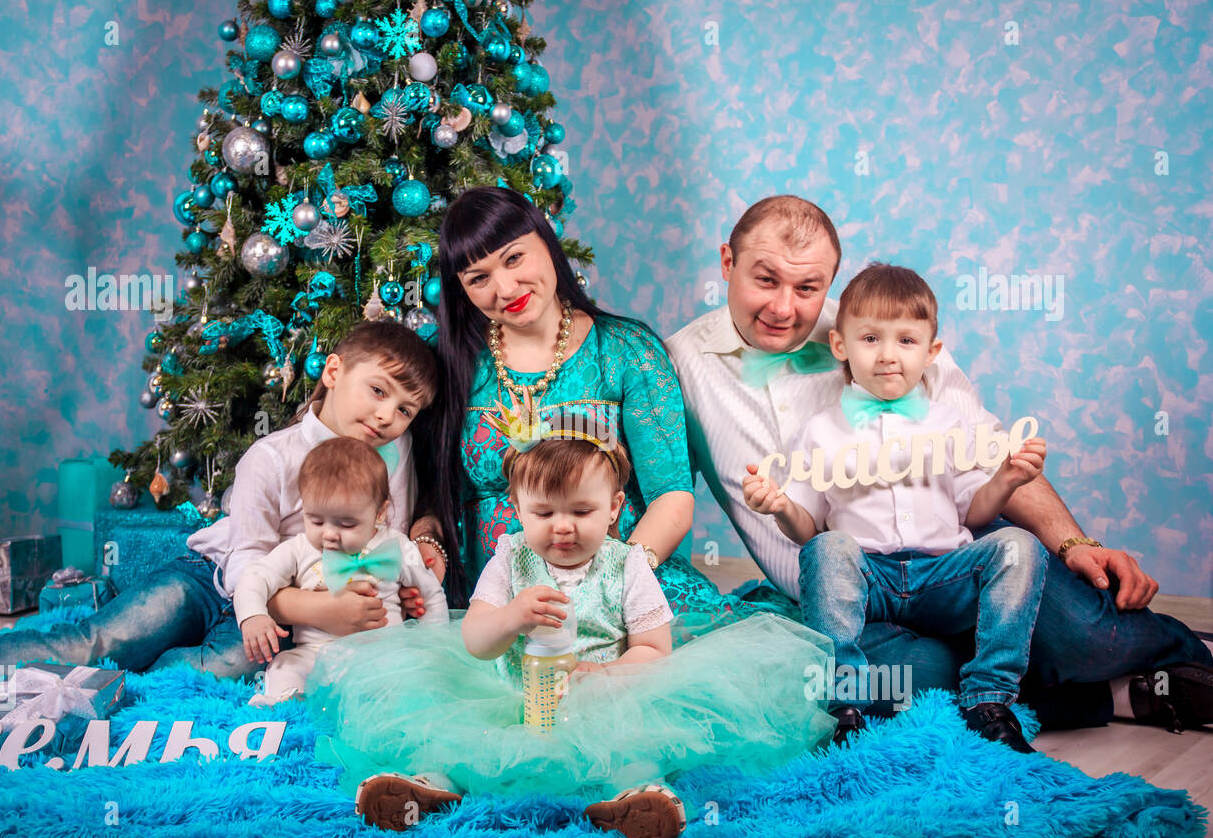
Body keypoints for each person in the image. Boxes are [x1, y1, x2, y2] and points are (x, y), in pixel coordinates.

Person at [667, 195, 1213, 731]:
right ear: (727, 262)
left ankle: (1177, 657)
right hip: (845, 599)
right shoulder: (677, 363)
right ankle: (1086, 696)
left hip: (949, 560)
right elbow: (662, 492)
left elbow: (993, 452)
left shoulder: (888, 329)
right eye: (766, 280)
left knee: (1086, 637)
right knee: (880, 681)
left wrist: (1075, 544)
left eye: (807, 288)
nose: (784, 307)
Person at [307, 424, 835, 838]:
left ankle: (639, 797)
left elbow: (655, 649)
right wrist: (512, 616)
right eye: (544, 512)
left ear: (614, 508)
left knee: (633, 741)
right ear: (517, 510)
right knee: (455, 736)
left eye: (581, 511)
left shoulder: (626, 564)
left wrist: (603, 675)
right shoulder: (510, 558)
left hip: (607, 693)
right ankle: (426, 786)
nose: (562, 527)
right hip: (509, 693)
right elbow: (475, 640)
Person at [0, 320, 440, 678]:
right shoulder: (273, 457)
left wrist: (399, 589)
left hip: (293, 609)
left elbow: (381, 539)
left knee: (222, 670)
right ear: (333, 371)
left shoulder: (395, 455)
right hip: (215, 575)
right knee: (105, 641)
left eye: (405, 410)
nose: (386, 417)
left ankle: (146, 677)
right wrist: (316, 608)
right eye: (377, 391)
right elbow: (248, 558)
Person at [403, 184, 804, 643]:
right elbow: (432, 500)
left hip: (626, 583)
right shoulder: (446, 362)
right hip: (499, 603)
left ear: (547, 245)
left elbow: (672, 498)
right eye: (479, 278)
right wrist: (428, 544)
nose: (505, 288)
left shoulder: (625, 350)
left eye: (515, 259)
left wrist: (612, 584)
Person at [743, 263, 1050, 750]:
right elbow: (807, 531)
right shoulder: (821, 430)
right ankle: (844, 705)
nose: (888, 356)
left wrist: (1008, 478)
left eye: (906, 341)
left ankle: (988, 697)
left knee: (1018, 545)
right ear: (841, 346)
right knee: (828, 548)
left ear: (932, 352)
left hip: (943, 574)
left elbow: (974, 515)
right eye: (870, 339)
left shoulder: (951, 424)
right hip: (871, 579)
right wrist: (779, 505)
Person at [236, 437, 447, 706]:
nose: (329, 534)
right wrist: (253, 615)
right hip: (315, 653)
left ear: (380, 513)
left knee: (407, 676)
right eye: (315, 520)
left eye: (347, 524)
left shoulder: (396, 547)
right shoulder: (299, 548)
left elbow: (431, 596)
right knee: (284, 667)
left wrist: (433, 645)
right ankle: (286, 706)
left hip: (381, 654)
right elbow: (255, 576)